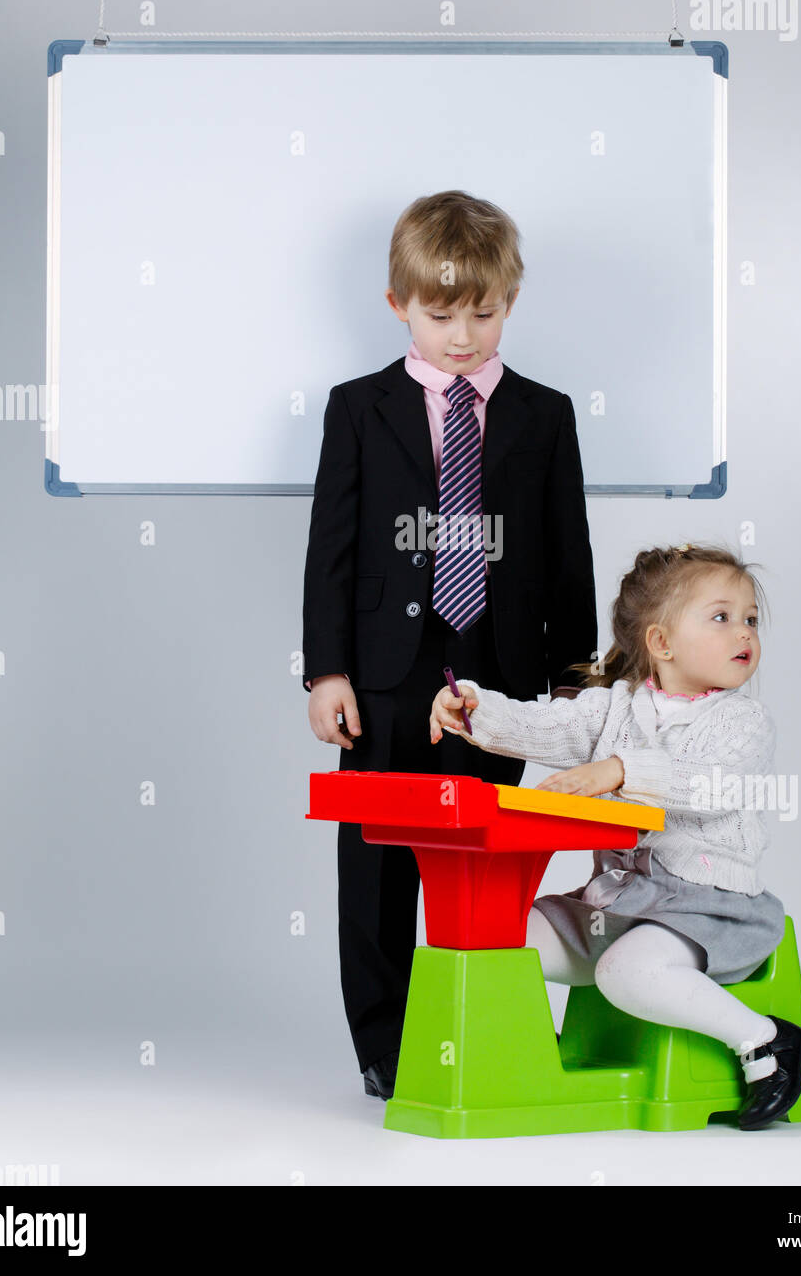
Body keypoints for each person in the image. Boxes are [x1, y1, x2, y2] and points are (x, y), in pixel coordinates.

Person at [302, 190, 597, 1099]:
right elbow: (333, 549)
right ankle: (386, 1052)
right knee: (378, 871)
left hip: (501, 679)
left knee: (487, 868)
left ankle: (485, 1030)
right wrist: (326, 672)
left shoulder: (543, 415)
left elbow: (564, 549)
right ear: (400, 305)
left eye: (483, 311)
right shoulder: (359, 408)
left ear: (508, 301)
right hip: (386, 680)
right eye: (440, 315)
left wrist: (574, 678)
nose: (462, 335)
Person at [430, 542, 801, 1130]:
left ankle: (767, 1042)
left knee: (625, 973)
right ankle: (531, 1059)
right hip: (615, 907)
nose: (744, 633)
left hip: (707, 909)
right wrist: (475, 709)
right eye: (722, 617)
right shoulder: (612, 708)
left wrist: (618, 771)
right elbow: (542, 724)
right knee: (496, 929)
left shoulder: (742, 721)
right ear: (660, 643)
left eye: (750, 620)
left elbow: (711, 786)